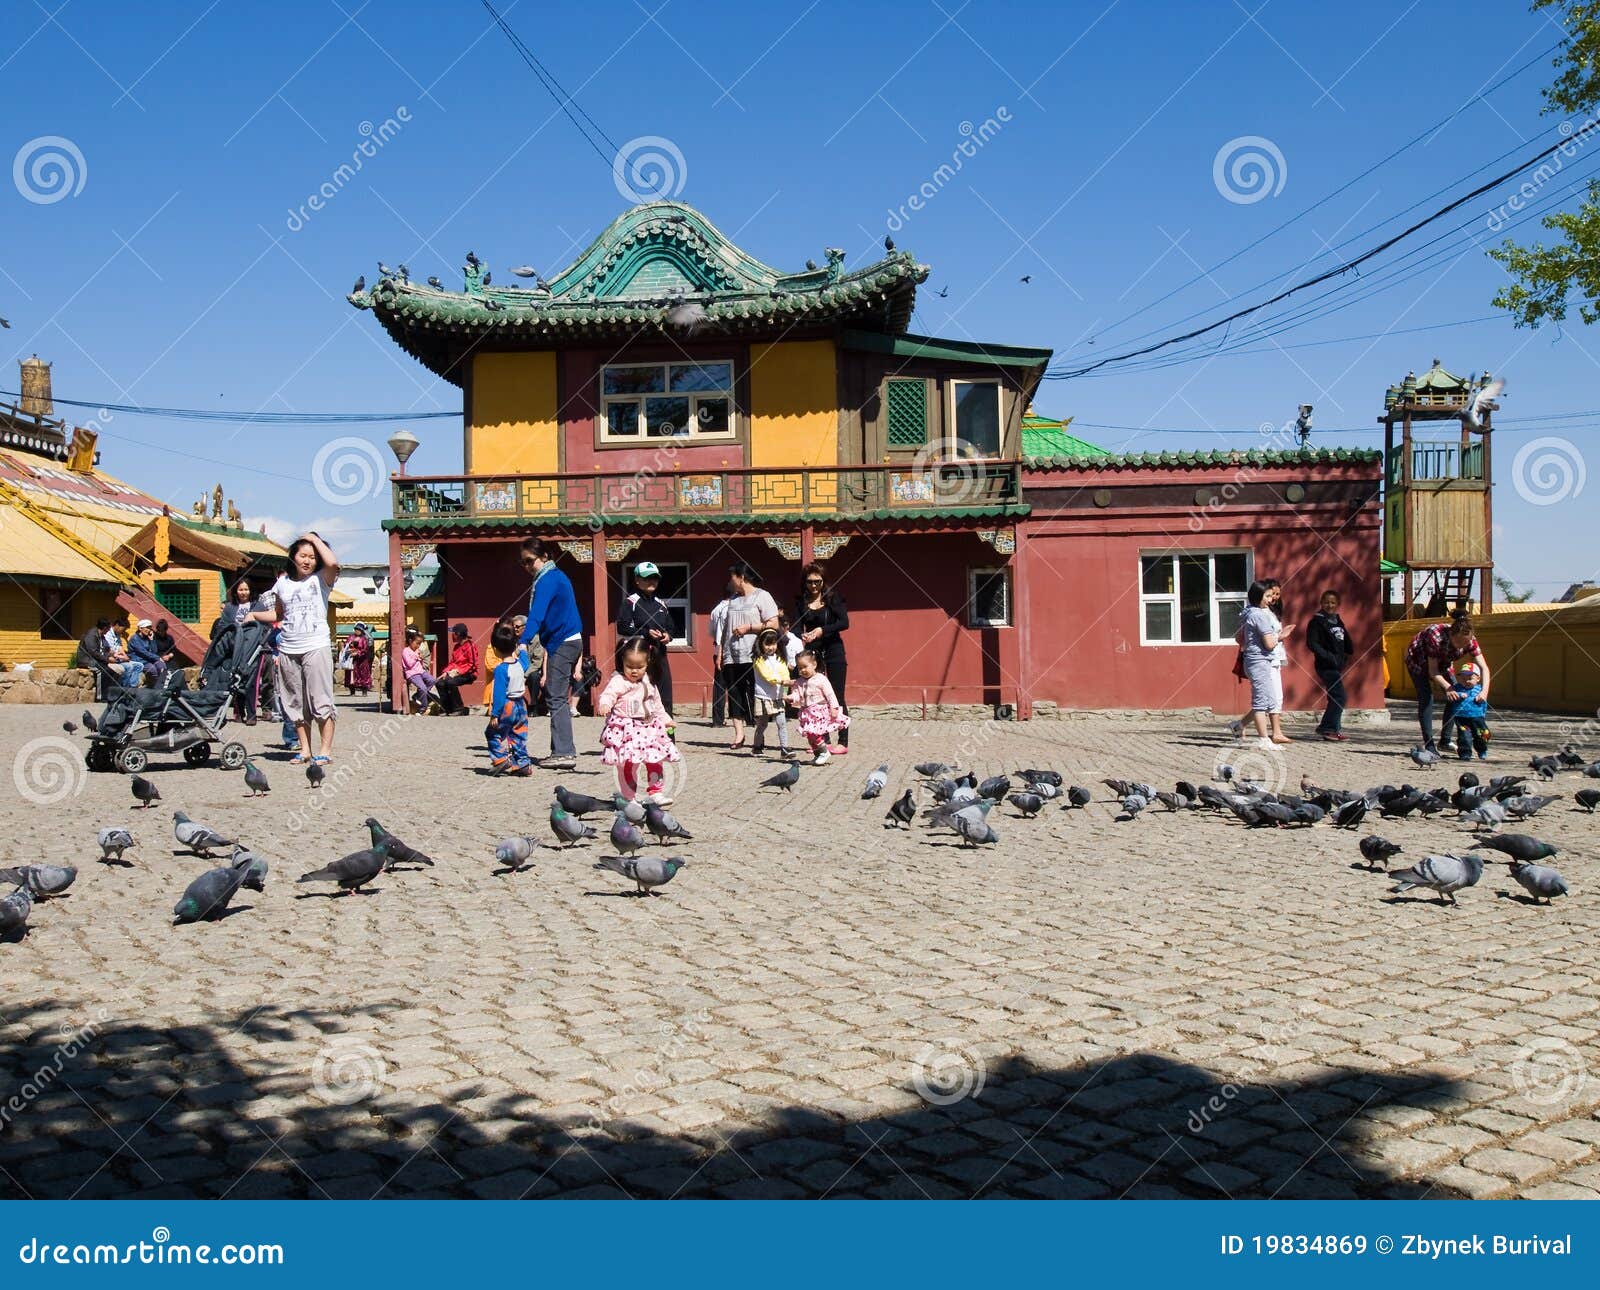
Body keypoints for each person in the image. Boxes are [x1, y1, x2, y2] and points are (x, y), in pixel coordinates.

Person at [249, 531, 340, 765]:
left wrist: (314, 538)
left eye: (312, 556)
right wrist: (253, 615)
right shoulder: (282, 583)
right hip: (288, 647)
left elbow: (332, 562)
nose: (307, 560)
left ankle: (325, 751)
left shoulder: (322, 578)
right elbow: (278, 614)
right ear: (293, 557)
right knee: (294, 701)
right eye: (302, 555)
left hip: (315, 646)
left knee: (320, 699)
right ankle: (305, 749)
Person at [517, 537, 585, 770]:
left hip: (562, 642)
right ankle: (561, 750)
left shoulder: (547, 581)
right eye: (523, 563)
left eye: (529, 561)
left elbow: (536, 615)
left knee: (556, 697)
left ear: (544, 556)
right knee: (556, 696)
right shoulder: (556, 576)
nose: (526, 567)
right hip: (569, 640)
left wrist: (523, 641)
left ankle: (564, 752)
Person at [596, 636, 680, 802]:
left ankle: (656, 792)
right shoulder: (618, 681)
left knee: (654, 760)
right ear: (622, 662)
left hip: (649, 727)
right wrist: (605, 704)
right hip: (628, 729)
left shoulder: (649, 682)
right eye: (630, 666)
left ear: (648, 663)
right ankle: (629, 796)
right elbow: (608, 694)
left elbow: (657, 705)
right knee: (629, 764)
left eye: (639, 667)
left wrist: (666, 719)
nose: (634, 671)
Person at [1403, 609, 1489, 753]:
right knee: (1426, 698)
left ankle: (1445, 740)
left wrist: (1484, 691)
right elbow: (1433, 671)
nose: (1462, 646)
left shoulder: (1470, 640)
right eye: (1459, 643)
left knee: (1456, 697)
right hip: (1417, 661)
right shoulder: (1435, 636)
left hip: (1444, 663)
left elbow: (1484, 668)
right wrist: (1448, 687)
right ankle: (1429, 744)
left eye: (1465, 643)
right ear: (1451, 635)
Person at [718, 562, 778, 750]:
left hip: (753, 654)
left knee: (755, 695)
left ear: (741, 577)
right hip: (731, 655)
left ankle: (758, 736)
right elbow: (725, 629)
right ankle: (739, 734)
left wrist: (750, 628)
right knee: (734, 694)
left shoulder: (763, 596)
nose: (730, 581)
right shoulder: (733, 600)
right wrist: (720, 652)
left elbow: (773, 623)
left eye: (732, 577)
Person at [793, 563, 850, 752]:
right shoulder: (801, 602)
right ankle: (821, 740)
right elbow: (794, 626)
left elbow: (844, 622)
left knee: (836, 695)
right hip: (813, 654)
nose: (814, 585)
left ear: (823, 581)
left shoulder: (833, 598)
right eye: (810, 582)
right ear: (805, 582)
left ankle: (843, 741)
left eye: (818, 581)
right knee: (817, 697)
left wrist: (821, 630)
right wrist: (802, 635)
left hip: (834, 649)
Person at [1237, 579, 1293, 750]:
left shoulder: (1247, 613)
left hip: (1254, 659)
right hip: (1260, 661)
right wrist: (1282, 635)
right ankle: (1263, 739)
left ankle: (1239, 726)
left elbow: (1239, 638)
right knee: (1261, 701)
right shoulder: (1260, 616)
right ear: (1257, 596)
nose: (1271, 600)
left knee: (1267, 699)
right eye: (1267, 596)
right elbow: (1269, 644)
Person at [617, 560, 676, 715]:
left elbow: (671, 627)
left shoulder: (661, 604)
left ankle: (668, 737)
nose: (652, 581)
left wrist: (667, 636)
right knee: (641, 695)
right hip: (639, 657)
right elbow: (622, 627)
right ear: (637, 580)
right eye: (647, 578)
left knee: (665, 698)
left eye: (655, 578)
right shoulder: (630, 602)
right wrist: (645, 632)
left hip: (660, 656)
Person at [484, 620, 534, 776]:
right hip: (521, 704)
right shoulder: (520, 664)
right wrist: (523, 649)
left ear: (496, 649)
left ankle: (500, 759)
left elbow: (498, 694)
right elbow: (526, 661)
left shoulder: (500, 669)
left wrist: (495, 714)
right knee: (519, 735)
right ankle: (523, 763)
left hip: (507, 706)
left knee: (492, 733)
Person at [1306, 589, 1353, 742]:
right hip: (1325, 665)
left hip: (1337, 665)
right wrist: (1329, 657)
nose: (1329, 605)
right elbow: (1312, 643)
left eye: (1333, 602)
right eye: (1326, 602)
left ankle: (1335, 729)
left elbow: (1345, 640)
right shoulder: (1317, 622)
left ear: (1338, 604)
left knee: (1335, 696)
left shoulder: (1337, 621)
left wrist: (1347, 653)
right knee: (1340, 696)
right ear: (1321, 603)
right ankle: (1327, 727)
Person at [789, 650, 849, 765]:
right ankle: (818, 755)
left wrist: (834, 708)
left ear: (814, 665)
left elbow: (830, 694)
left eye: (805, 667)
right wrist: (791, 697)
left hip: (818, 712)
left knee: (814, 734)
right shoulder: (800, 681)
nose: (802, 670)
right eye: (800, 668)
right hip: (807, 713)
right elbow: (797, 694)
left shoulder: (821, 679)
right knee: (810, 737)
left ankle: (824, 752)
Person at [750, 628, 793, 758]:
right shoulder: (758, 660)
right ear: (761, 644)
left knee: (782, 722)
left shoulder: (779, 659)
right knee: (762, 725)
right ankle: (757, 747)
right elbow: (767, 676)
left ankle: (784, 748)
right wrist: (782, 681)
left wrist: (786, 686)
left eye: (774, 644)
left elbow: (785, 673)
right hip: (763, 696)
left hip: (777, 697)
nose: (771, 647)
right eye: (768, 644)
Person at [1440, 661, 1491, 761]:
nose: (1466, 681)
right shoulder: (1457, 688)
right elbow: (1451, 697)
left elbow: (1484, 704)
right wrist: (1459, 695)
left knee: (1483, 734)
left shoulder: (1480, 689)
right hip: (1462, 718)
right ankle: (1465, 753)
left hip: (1477, 718)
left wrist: (1483, 709)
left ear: (1478, 679)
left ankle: (1482, 749)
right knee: (1464, 736)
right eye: (1463, 678)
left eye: (1470, 678)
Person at [80, 616, 143, 689]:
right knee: (105, 671)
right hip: (87, 661)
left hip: (98, 660)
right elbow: (94, 653)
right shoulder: (91, 635)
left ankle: (124, 691)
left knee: (112, 671)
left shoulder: (101, 636)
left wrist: (114, 655)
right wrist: (108, 659)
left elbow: (107, 649)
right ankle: (102, 696)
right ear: (104, 628)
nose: (108, 630)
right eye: (108, 629)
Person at [435, 623, 480, 716]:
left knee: (450, 682)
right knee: (440, 683)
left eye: (453, 633)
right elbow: (453, 663)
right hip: (455, 673)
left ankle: (459, 708)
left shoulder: (470, 645)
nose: (452, 635)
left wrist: (458, 671)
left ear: (458, 634)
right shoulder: (456, 647)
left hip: (469, 673)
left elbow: (472, 664)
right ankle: (447, 708)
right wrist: (445, 672)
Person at [708, 583, 735, 727]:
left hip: (717, 649)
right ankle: (738, 715)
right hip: (731, 651)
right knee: (736, 684)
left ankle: (718, 719)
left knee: (719, 686)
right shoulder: (733, 609)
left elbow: (712, 632)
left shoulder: (715, 610)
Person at [400, 627, 436, 712]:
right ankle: (423, 706)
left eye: (419, 644)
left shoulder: (417, 650)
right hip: (412, 673)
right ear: (410, 641)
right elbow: (409, 664)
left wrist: (420, 658)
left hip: (421, 671)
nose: (418, 646)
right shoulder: (406, 651)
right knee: (422, 688)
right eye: (417, 643)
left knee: (432, 680)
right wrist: (417, 657)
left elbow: (421, 663)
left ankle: (418, 695)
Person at [127, 619, 167, 683]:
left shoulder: (147, 638)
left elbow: (154, 651)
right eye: (147, 628)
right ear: (140, 628)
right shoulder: (135, 638)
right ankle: (156, 685)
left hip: (148, 659)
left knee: (161, 665)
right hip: (139, 660)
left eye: (150, 628)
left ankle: (163, 683)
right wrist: (158, 658)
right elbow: (143, 652)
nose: (149, 630)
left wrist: (152, 640)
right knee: (153, 669)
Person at [346, 624, 373, 696]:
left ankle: (364, 691)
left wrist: (358, 653)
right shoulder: (350, 637)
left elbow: (365, 649)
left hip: (362, 660)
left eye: (359, 630)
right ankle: (352, 691)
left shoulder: (364, 639)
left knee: (363, 675)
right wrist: (348, 651)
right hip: (352, 660)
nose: (357, 631)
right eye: (356, 629)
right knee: (351, 675)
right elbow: (347, 646)